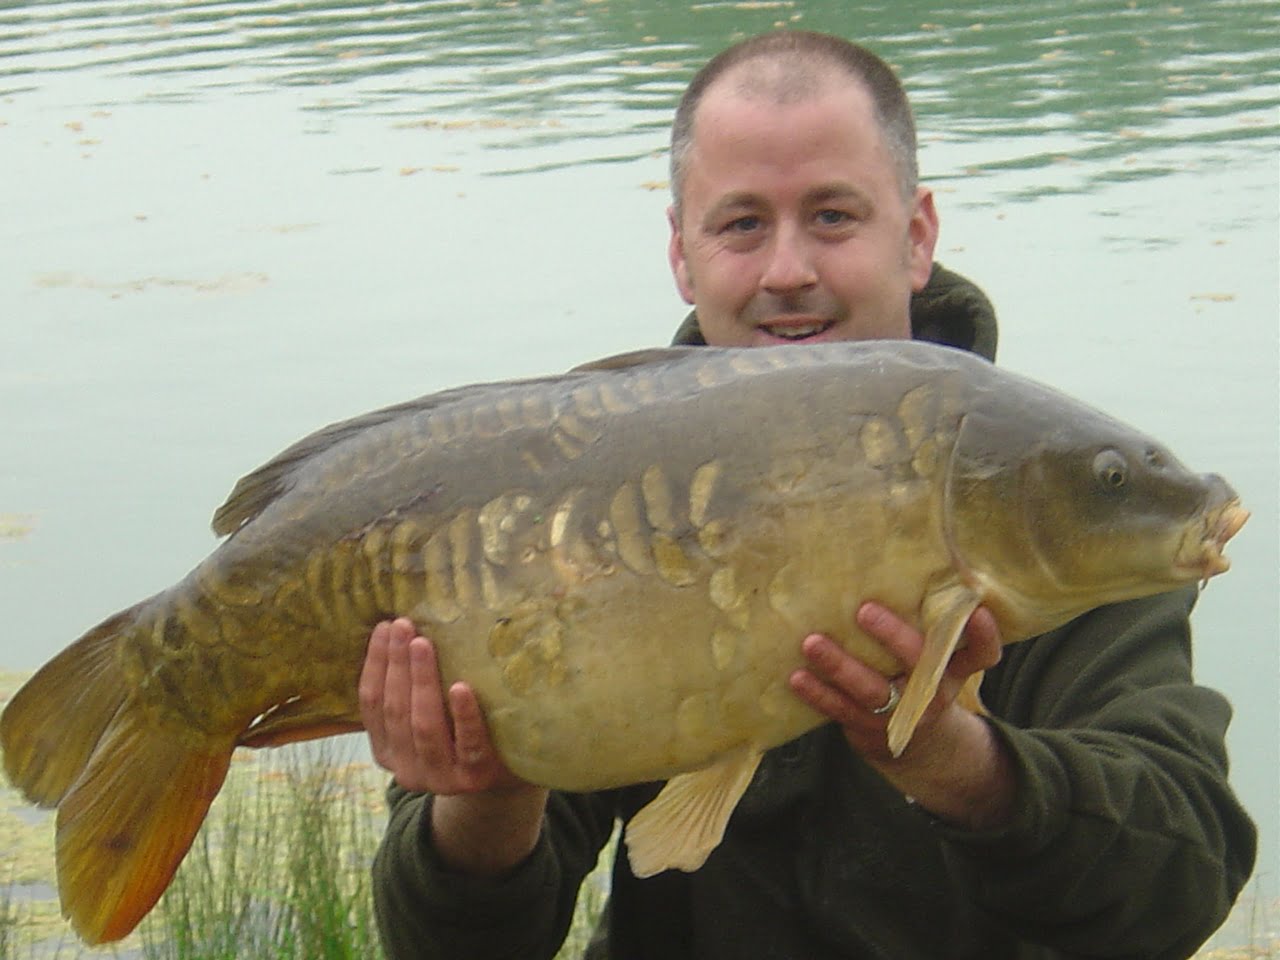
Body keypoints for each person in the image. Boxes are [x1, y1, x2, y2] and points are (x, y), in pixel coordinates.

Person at [358, 30, 1256, 959]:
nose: (787, 270)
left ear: (915, 236)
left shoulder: (1045, 502)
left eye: (832, 216)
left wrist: (957, 761)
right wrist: (492, 797)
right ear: (682, 253)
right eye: (742, 224)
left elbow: (1181, 882)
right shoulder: (597, 501)